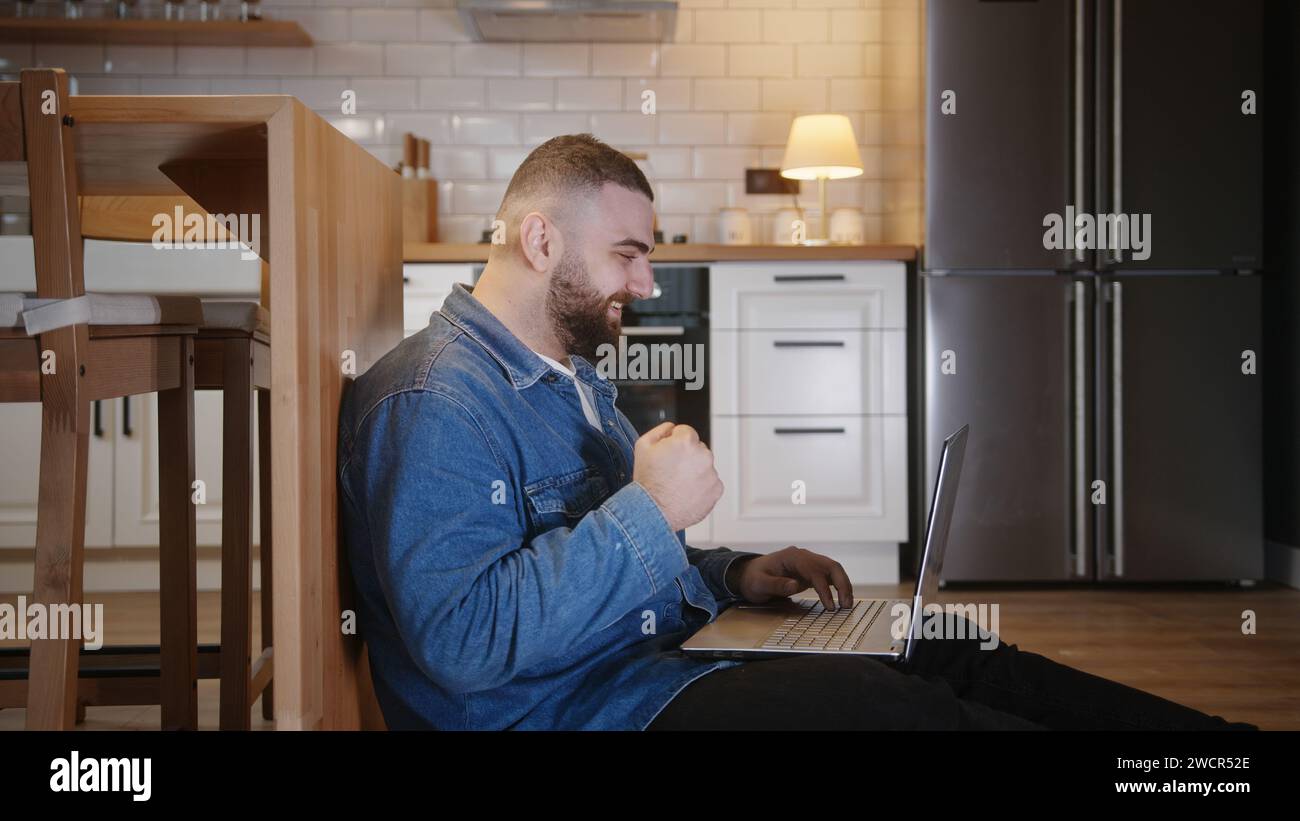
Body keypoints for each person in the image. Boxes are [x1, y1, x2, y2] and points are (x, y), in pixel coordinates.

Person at [337, 134, 1258, 731]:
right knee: (902, 710)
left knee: (940, 643)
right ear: (540, 242)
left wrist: (735, 573)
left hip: (650, 657)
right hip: (591, 709)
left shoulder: (570, 381)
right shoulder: (433, 401)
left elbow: (614, 571)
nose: (649, 284)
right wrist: (651, 514)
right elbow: (460, 643)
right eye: (629, 253)